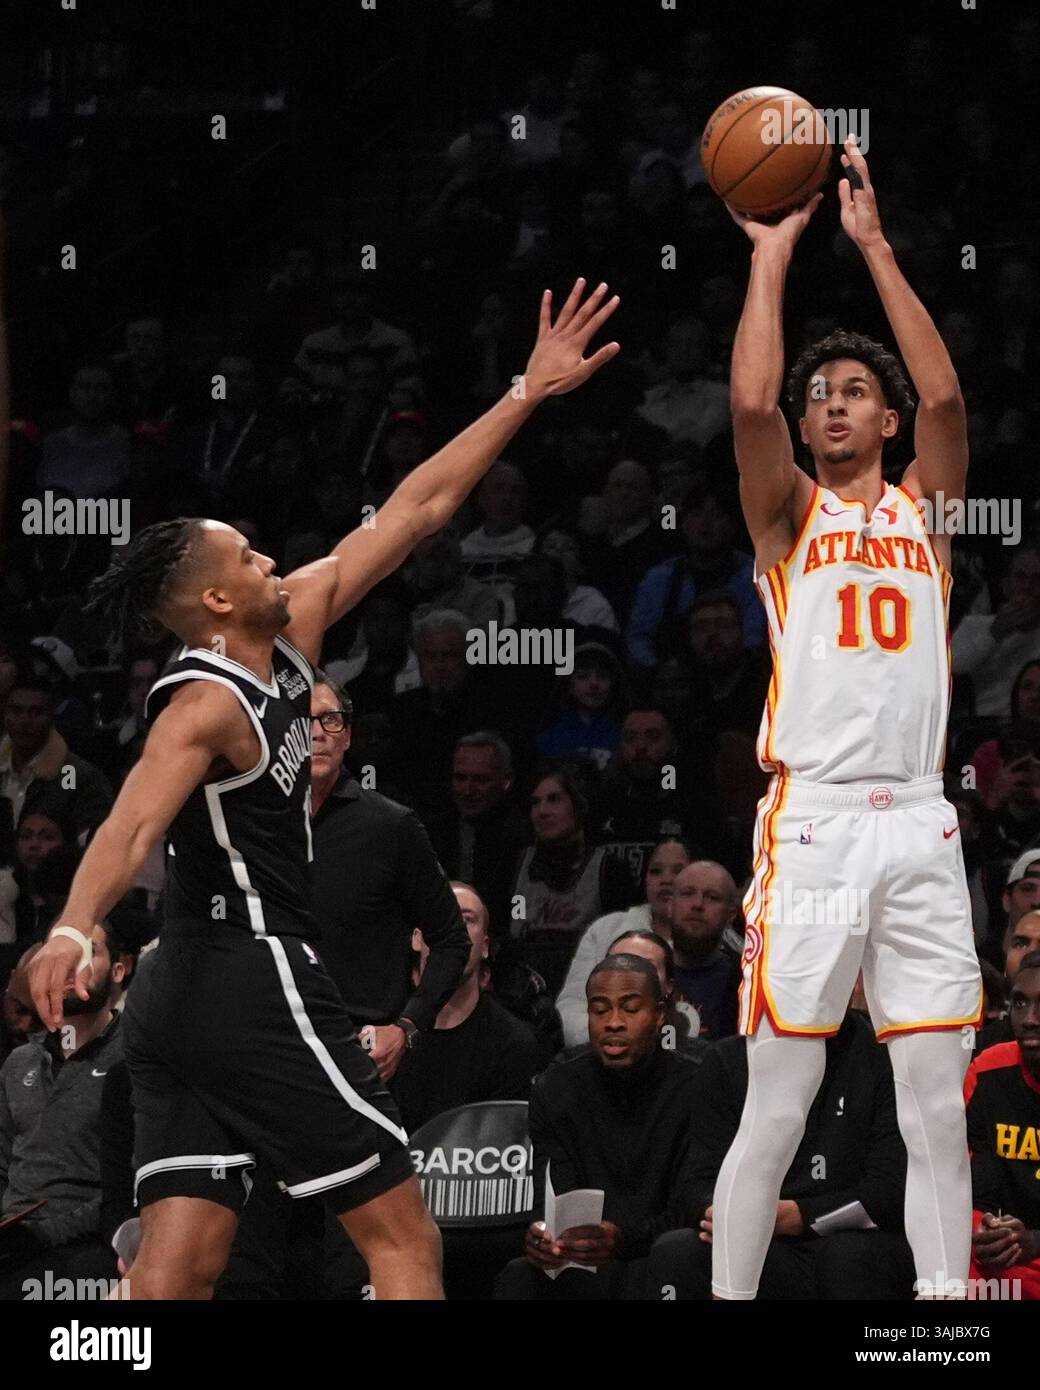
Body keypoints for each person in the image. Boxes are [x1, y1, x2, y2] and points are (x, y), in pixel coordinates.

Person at [26, 277, 621, 1301]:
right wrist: (77, 925)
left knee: (176, 1263)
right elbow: (129, 823)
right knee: (404, 1241)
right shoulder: (203, 703)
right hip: (250, 972)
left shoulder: (289, 632)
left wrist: (525, 391)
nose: (271, 558)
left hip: (171, 1000)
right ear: (217, 599)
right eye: (248, 555)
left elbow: (419, 507)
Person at [713, 138, 982, 1301]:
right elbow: (742, 401)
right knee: (775, 1095)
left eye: (852, 393)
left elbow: (952, 396)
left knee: (933, 1100)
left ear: (885, 421)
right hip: (813, 826)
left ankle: (939, 1319)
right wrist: (771, 257)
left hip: (918, 825)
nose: (828, 403)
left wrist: (872, 249)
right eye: (818, 393)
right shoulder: (786, 522)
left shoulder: (926, 515)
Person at [647, 1009, 915, 1300]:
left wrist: (797, 1217)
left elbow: (889, 1190)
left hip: (851, 1238)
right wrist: (726, 1214)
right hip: (762, 1242)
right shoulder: (726, 1061)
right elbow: (698, 1180)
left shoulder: (883, 1057)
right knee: (677, 1252)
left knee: (848, 1257)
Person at [494, 953, 703, 1300]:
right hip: (585, 1260)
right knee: (520, 1275)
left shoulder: (695, 1087)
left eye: (631, 1009)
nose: (613, 1023)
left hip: (660, 1254)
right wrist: (543, 1238)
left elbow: (693, 1206)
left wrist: (624, 1238)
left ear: (659, 1015)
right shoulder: (556, 1088)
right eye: (600, 1009)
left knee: (674, 1258)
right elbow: (553, 1194)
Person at [309, 672, 470, 1080]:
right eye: (301, 720)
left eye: (331, 720)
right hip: (266, 1046)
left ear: (347, 737)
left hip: (358, 1054)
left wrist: (407, 1028)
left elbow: (451, 939)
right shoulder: (253, 826)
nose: (318, 733)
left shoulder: (389, 826)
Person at [0, 919, 137, 1300]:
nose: (70, 963)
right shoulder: (19, 1062)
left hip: (87, 1245)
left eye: (87, 951)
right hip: (14, 1240)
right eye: (62, 951)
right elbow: (2, 1165)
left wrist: (41, 1235)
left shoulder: (136, 1060)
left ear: (119, 971)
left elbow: (129, 1189)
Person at [393, 883, 542, 1132]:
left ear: (484, 946)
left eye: (466, 920)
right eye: (440, 916)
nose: (453, 931)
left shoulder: (514, 1042)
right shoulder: (383, 1030)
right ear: (417, 938)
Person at [556, 835, 692, 1046]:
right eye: (655, 871)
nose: (665, 879)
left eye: (678, 871)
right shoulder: (606, 929)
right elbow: (569, 1008)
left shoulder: (717, 940)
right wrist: (613, 1039)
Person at [511, 760, 631, 997]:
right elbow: (511, 937)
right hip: (523, 995)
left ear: (579, 805)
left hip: (587, 995)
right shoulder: (516, 865)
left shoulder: (609, 870)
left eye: (554, 799)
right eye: (535, 803)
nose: (542, 811)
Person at [965, 952, 1040, 1299]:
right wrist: (988, 1229)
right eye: (1020, 1003)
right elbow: (966, 1180)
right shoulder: (987, 1071)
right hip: (1005, 1257)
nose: (1029, 1020)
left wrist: (1036, 1241)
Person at [425, 732, 530, 941]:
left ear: (506, 780)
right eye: (460, 778)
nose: (468, 790)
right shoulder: (431, 830)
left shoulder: (524, 836)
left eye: (481, 780)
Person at [0, 676, 113, 848]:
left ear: (51, 716)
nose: (24, 721)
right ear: (4, 714)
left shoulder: (79, 776)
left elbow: (97, 845)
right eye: (16, 711)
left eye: (36, 712)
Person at [668, 860, 741, 1040]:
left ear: (731, 914)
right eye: (687, 893)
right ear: (670, 905)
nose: (698, 904)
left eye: (712, 897)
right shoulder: (644, 970)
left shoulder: (748, 983)